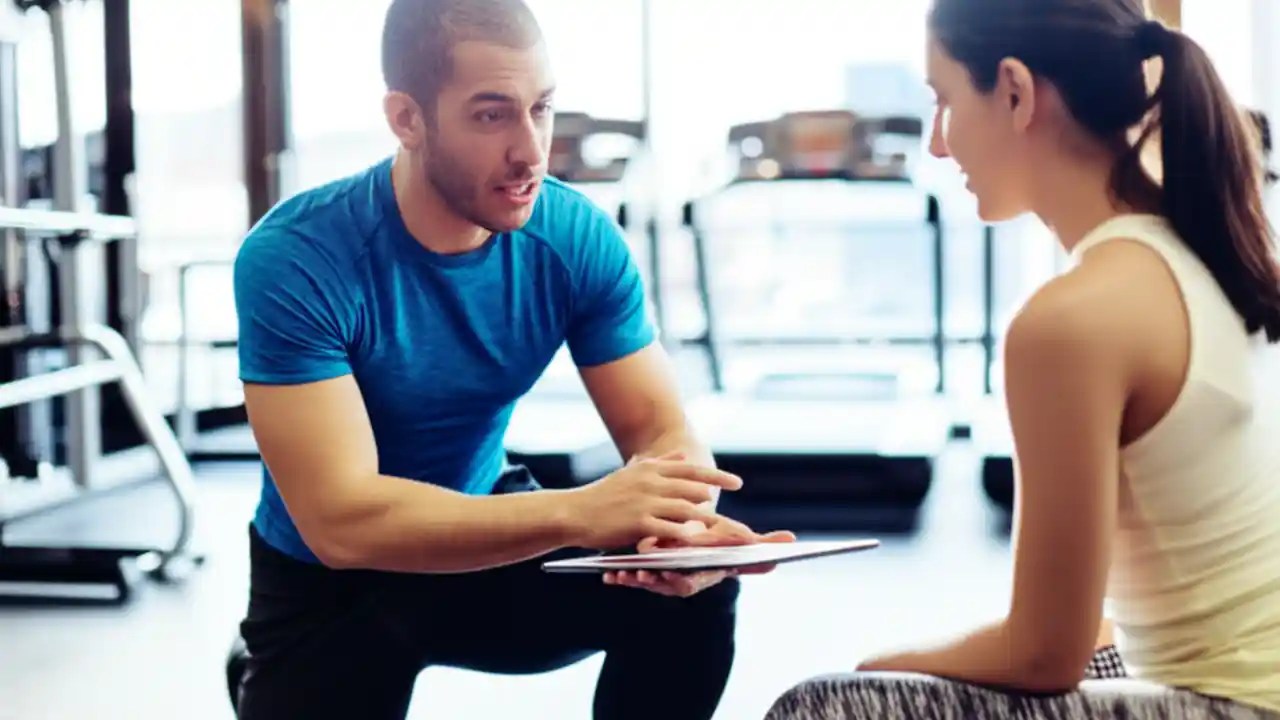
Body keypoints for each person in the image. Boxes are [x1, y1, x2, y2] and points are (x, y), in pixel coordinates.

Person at [227, 1, 792, 719]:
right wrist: (585, 512)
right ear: (406, 119)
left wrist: (679, 532)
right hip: (331, 578)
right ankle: (259, 669)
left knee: (690, 589)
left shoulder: (572, 236)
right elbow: (344, 519)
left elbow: (662, 435)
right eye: (491, 116)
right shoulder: (298, 257)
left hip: (485, 535)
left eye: (542, 108)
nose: (532, 150)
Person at [768, 1, 1280, 718]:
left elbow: (1045, 652)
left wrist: (881, 669)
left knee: (831, 706)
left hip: (1232, 706)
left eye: (945, 102)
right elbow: (1092, 630)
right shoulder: (1204, 247)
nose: (939, 145)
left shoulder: (1071, 321)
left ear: (1014, 91)